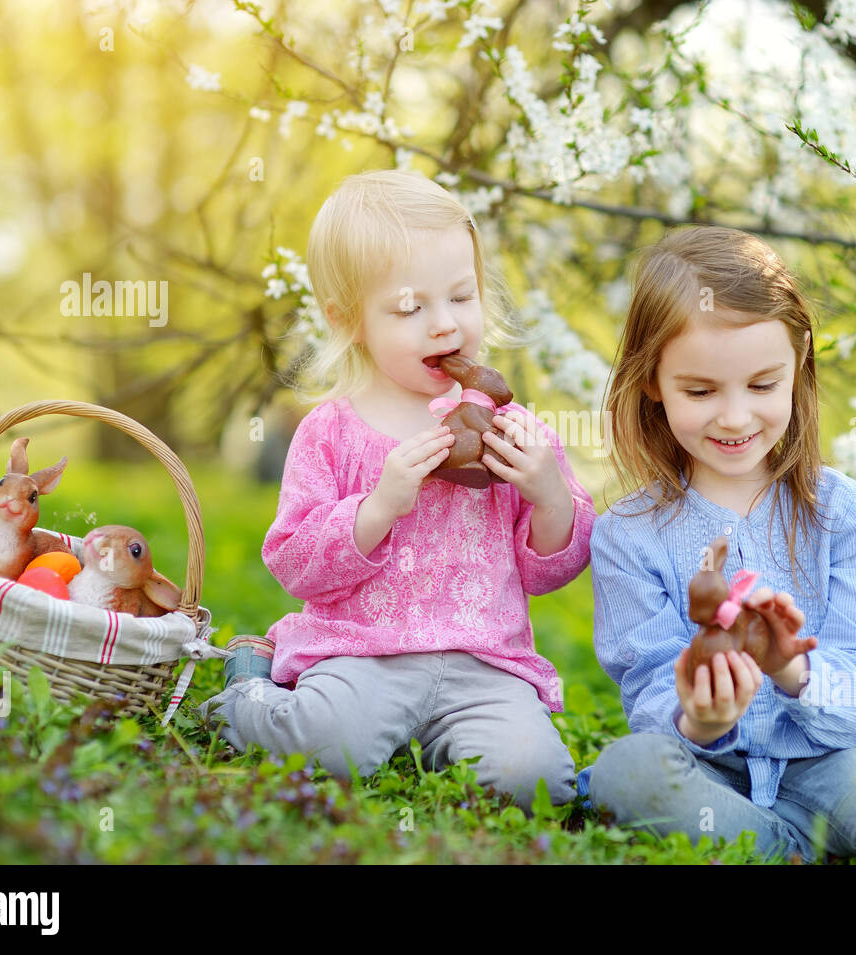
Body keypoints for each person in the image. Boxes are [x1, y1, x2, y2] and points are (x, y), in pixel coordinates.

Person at [581, 225, 856, 862]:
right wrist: (702, 719)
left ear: (799, 365)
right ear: (653, 383)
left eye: (763, 385)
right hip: (713, 779)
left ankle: (766, 848)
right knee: (624, 776)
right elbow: (650, 695)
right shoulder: (626, 535)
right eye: (700, 390)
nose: (736, 417)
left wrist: (793, 670)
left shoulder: (851, 519)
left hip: (835, 771)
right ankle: (787, 851)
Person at [199, 170, 594, 812]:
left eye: (461, 298)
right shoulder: (330, 430)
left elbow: (550, 568)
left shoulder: (513, 431)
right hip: (363, 654)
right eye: (411, 308)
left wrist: (549, 496)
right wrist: (378, 507)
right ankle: (249, 693)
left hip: (484, 662)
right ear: (348, 320)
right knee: (327, 747)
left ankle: (453, 739)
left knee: (536, 781)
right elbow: (295, 562)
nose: (444, 326)